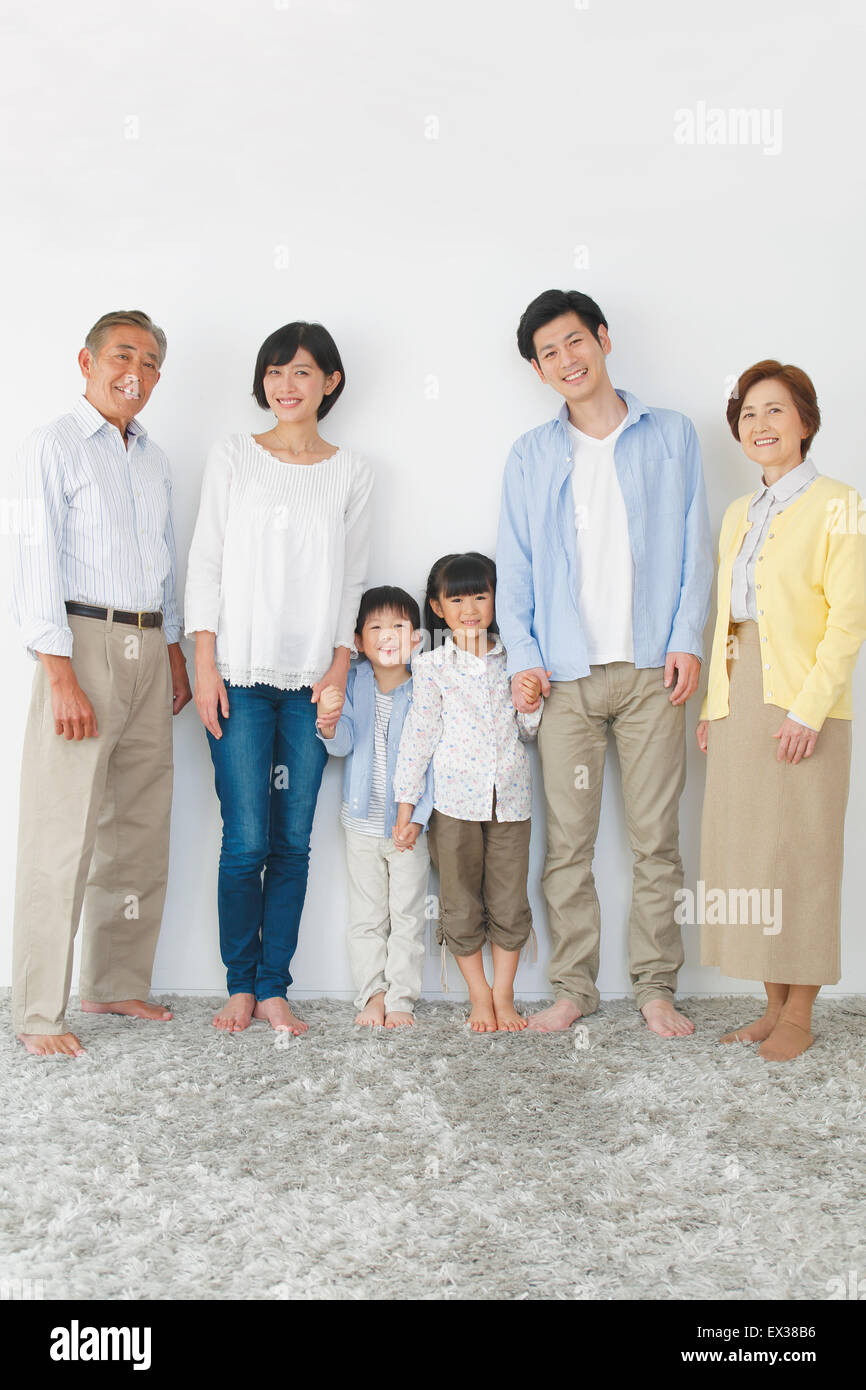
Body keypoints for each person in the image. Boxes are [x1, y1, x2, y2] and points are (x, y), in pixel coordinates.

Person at [497, 288, 714, 1037]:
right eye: (548, 353)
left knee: (657, 840)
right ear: (537, 368)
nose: (566, 360)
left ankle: (656, 986)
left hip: (655, 669)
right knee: (568, 845)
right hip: (565, 678)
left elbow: (696, 547)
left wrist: (686, 637)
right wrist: (523, 658)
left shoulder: (672, 434)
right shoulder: (530, 456)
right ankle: (573, 987)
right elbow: (516, 566)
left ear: (603, 340)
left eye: (574, 342)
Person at [10, 309, 192, 1058]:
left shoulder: (154, 460)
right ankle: (37, 1013)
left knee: (140, 826)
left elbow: (163, 560)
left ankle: (115, 981)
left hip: (151, 644)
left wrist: (175, 651)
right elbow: (31, 558)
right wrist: (58, 672)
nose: (137, 375)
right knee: (61, 831)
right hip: (79, 643)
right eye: (124, 356)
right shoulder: (51, 446)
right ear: (85, 361)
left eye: (151, 363)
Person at [185, 321, 373, 1036]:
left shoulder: (353, 471)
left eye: (301, 371)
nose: (285, 385)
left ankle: (273, 988)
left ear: (330, 381)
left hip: (310, 683)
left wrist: (338, 665)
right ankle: (238, 982)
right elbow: (206, 561)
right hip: (237, 671)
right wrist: (204, 664)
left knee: (294, 841)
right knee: (246, 840)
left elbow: (352, 578)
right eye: (274, 371)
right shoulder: (234, 454)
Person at [696, 361, 866, 1060]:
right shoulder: (739, 512)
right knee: (749, 858)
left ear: (805, 421)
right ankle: (771, 1006)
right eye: (747, 415)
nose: (759, 425)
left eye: (775, 411)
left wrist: (808, 711)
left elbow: (849, 620)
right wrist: (714, 703)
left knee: (802, 855)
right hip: (739, 696)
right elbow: (726, 620)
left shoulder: (841, 502)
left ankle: (801, 1012)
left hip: (806, 699)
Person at [393, 553, 543, 1033]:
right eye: (456, 598)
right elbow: (419, 735)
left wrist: (532, 704)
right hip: (454, 802)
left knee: (509, 899)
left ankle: (504, 995)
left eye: (480, 595)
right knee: (459, 901)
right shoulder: (432, 666)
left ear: (497, 599)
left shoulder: (516, 658)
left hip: (511, 799)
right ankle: (478, 995)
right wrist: (406, 806)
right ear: (438, 607)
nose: (470, 607)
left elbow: (528, 730)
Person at [316, 586, 434, 1028]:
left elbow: (434, 761)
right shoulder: (353, 682)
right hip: (361, 824)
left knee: (407, 915)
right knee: (367, 916)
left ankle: (401, 998)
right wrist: (328, 721)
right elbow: (343, 746)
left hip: (409, 829)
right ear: (358, 639)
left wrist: (419, 818)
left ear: (417, 639)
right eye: (377, 627)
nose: (388, 636)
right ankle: (373, 995)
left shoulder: (425, 686)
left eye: (399, 627)